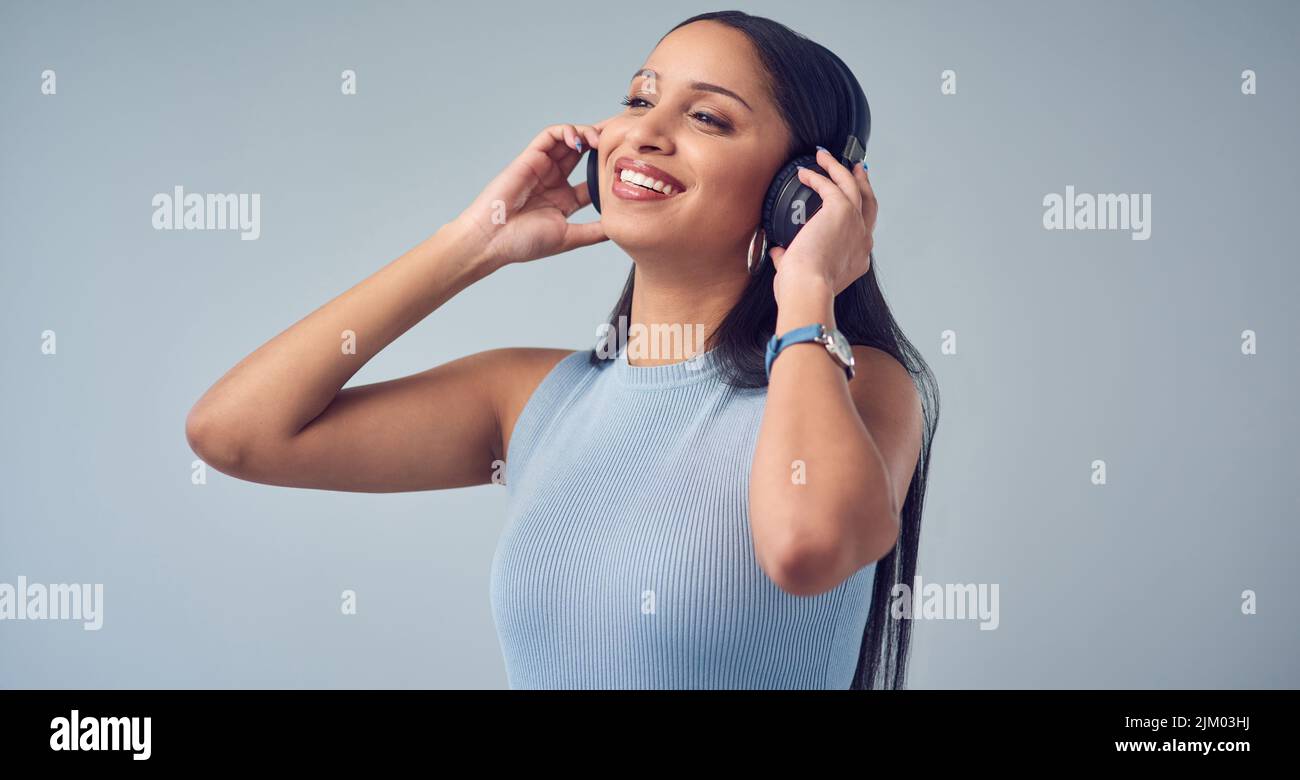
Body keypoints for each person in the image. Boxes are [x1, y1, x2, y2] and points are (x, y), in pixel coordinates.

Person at [186, 10, 939, 689]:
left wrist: (808, 287)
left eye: (707, 116)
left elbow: (807, 547)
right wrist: (471, 242)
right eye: (641, 98)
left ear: (801, 190)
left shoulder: (857, 384)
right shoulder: (534, 399)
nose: (643, 130)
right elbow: (236, 434)